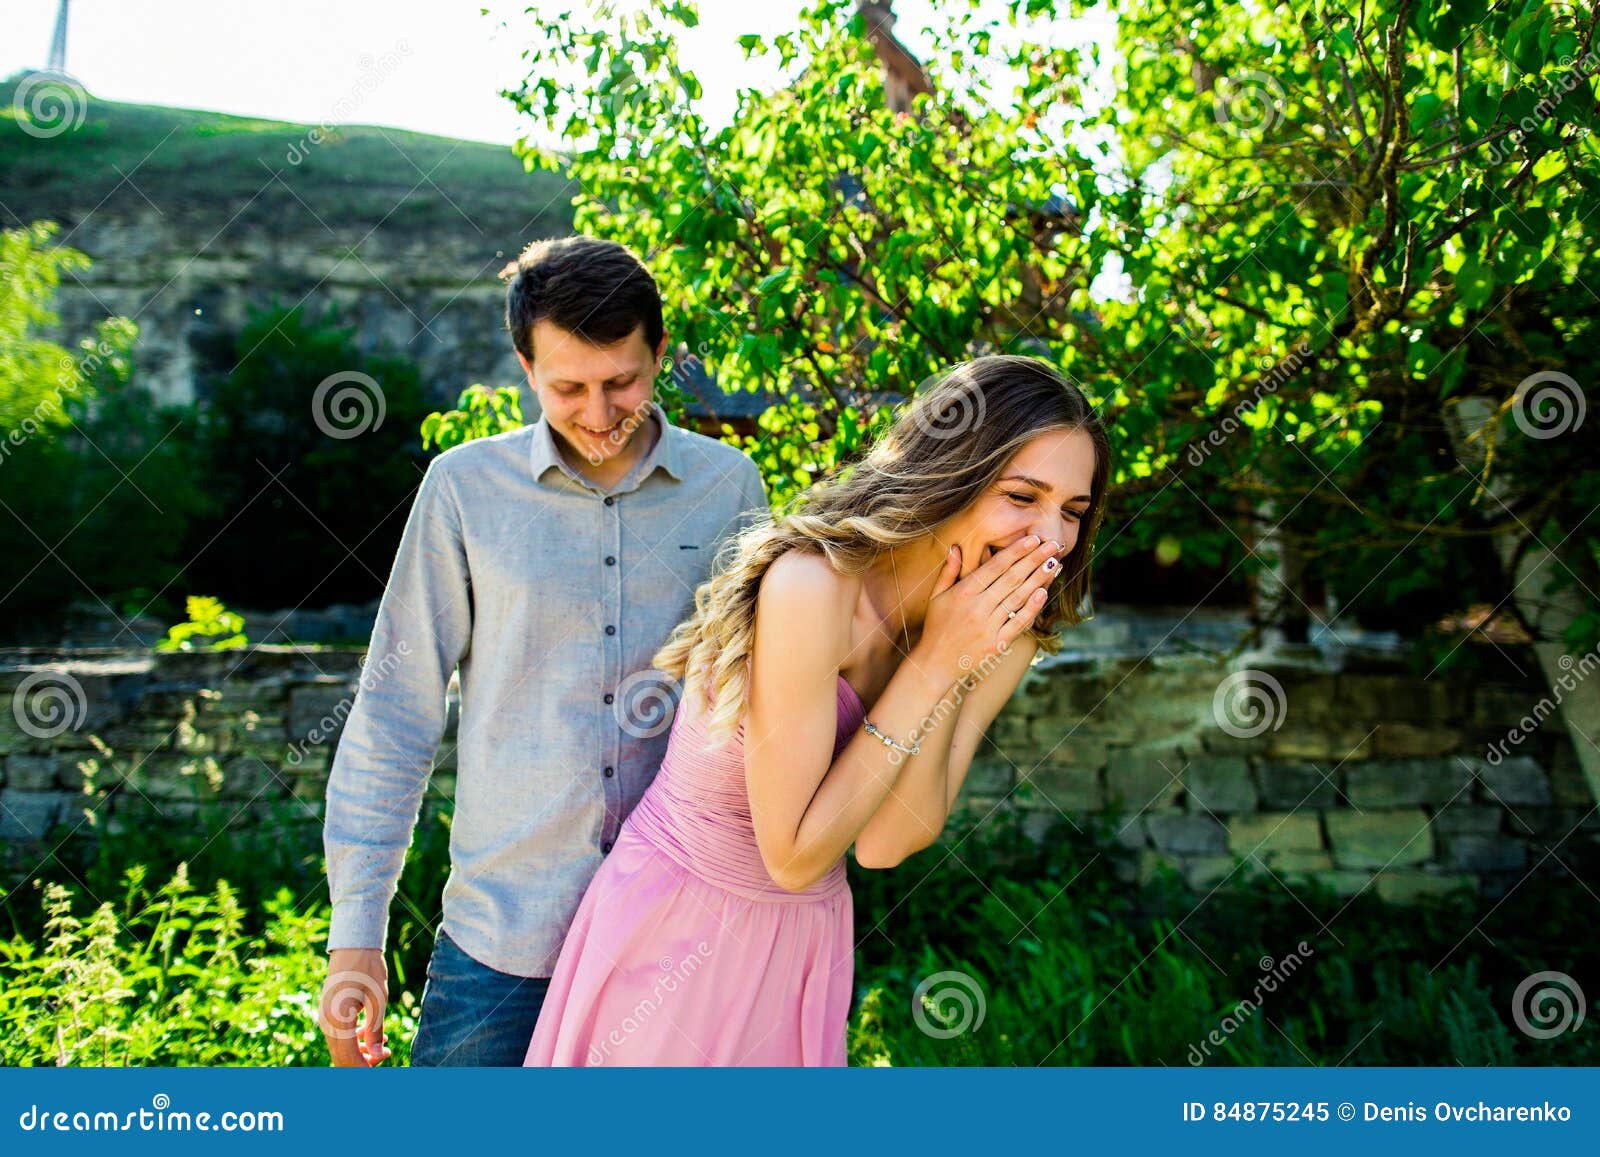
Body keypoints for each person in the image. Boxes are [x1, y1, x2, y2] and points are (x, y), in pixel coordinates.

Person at [523, 353, 1111, 1065]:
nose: (1050, 539)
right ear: (951, 474)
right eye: (1023, 496)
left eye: (1072, 511)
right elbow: (793, 853)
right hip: (675, 934)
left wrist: (954, 663)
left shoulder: (1001, 637)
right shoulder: (813, 587)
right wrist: (932, 665)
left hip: (804, 945)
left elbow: (886, 844)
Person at [317, 234, 769, 1066]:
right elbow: (394, 714)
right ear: (525, 367)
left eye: (622, 383)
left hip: (676, 945)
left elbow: (762, 707)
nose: (599, 415)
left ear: (659, 353)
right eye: (568, 388)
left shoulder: (731, 487)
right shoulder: (462, 490)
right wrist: (357, 934)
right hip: (504, 946)